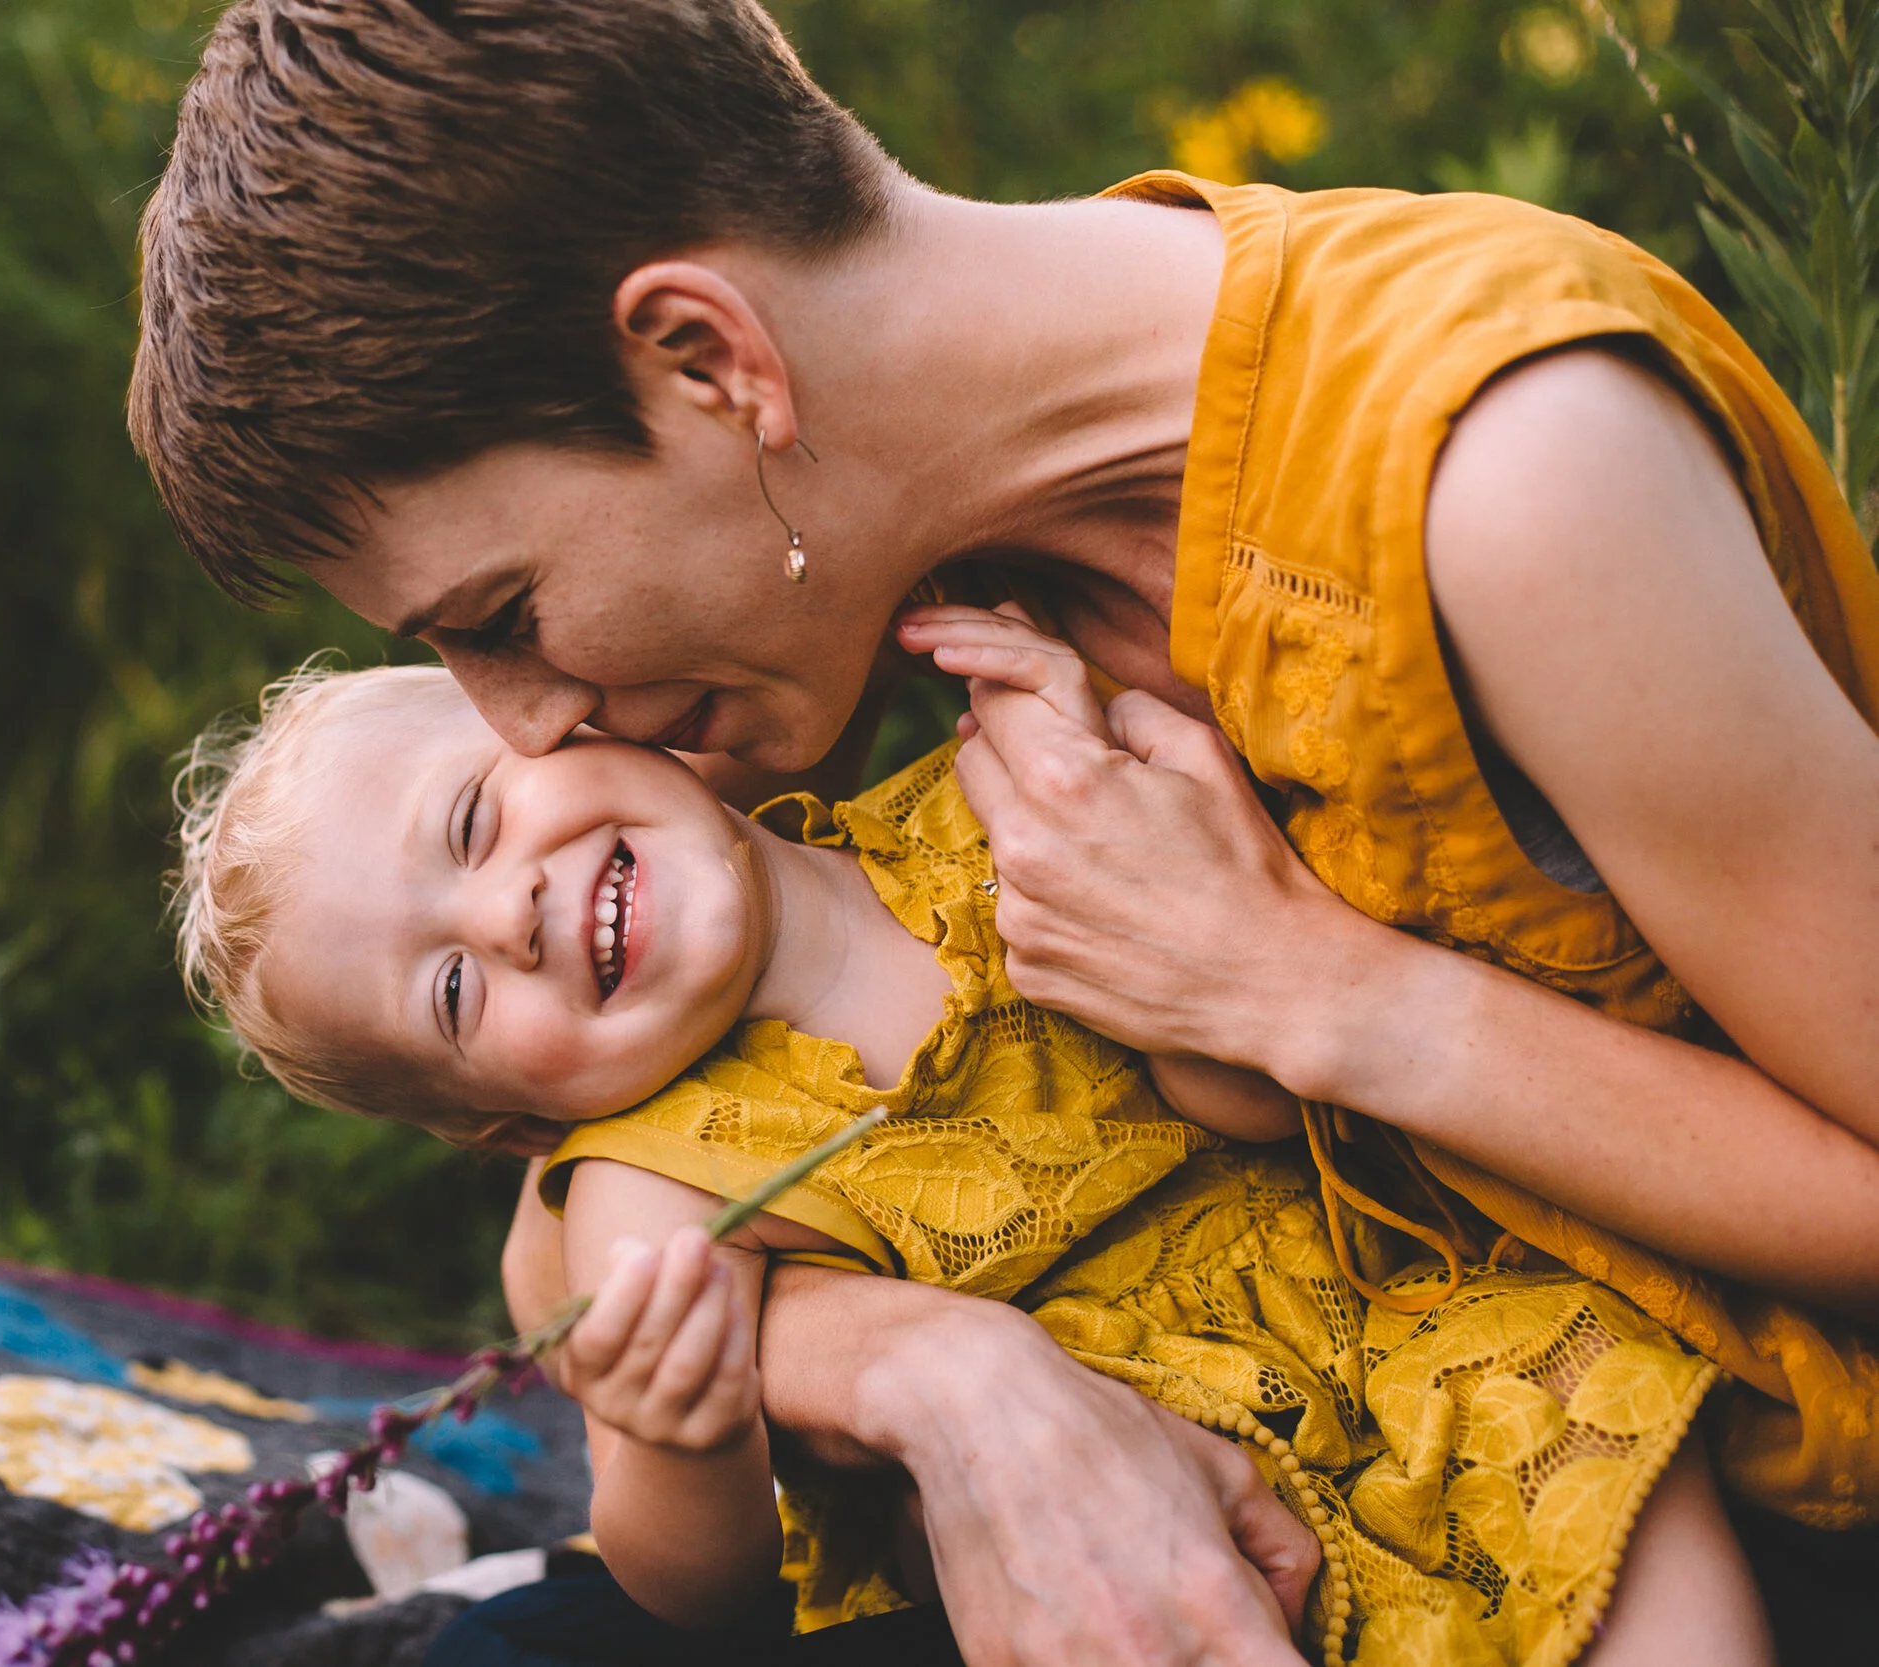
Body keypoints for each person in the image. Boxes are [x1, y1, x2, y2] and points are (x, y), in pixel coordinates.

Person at [126, 2, 1879, 1661]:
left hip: (1713, 1462)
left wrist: (1323, 996)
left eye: (502, 609)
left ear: (707, 361)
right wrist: (919, 1362)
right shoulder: (922, 563)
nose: (526, 720)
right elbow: (570, 1233)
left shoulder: (1513, 481)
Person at [170, 656, 1765, 1665]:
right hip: (1142, 1516)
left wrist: (1099, 780)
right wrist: (678, 1435)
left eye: (471, 821)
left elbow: (1243, 1103)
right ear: (514, 1127)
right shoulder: (656, 1190)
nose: (502, 910)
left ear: (575, 714)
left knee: (1616, 1507)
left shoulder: (974, 811)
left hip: (1417, 1331)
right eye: (451, 992)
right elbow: (690, 1589)